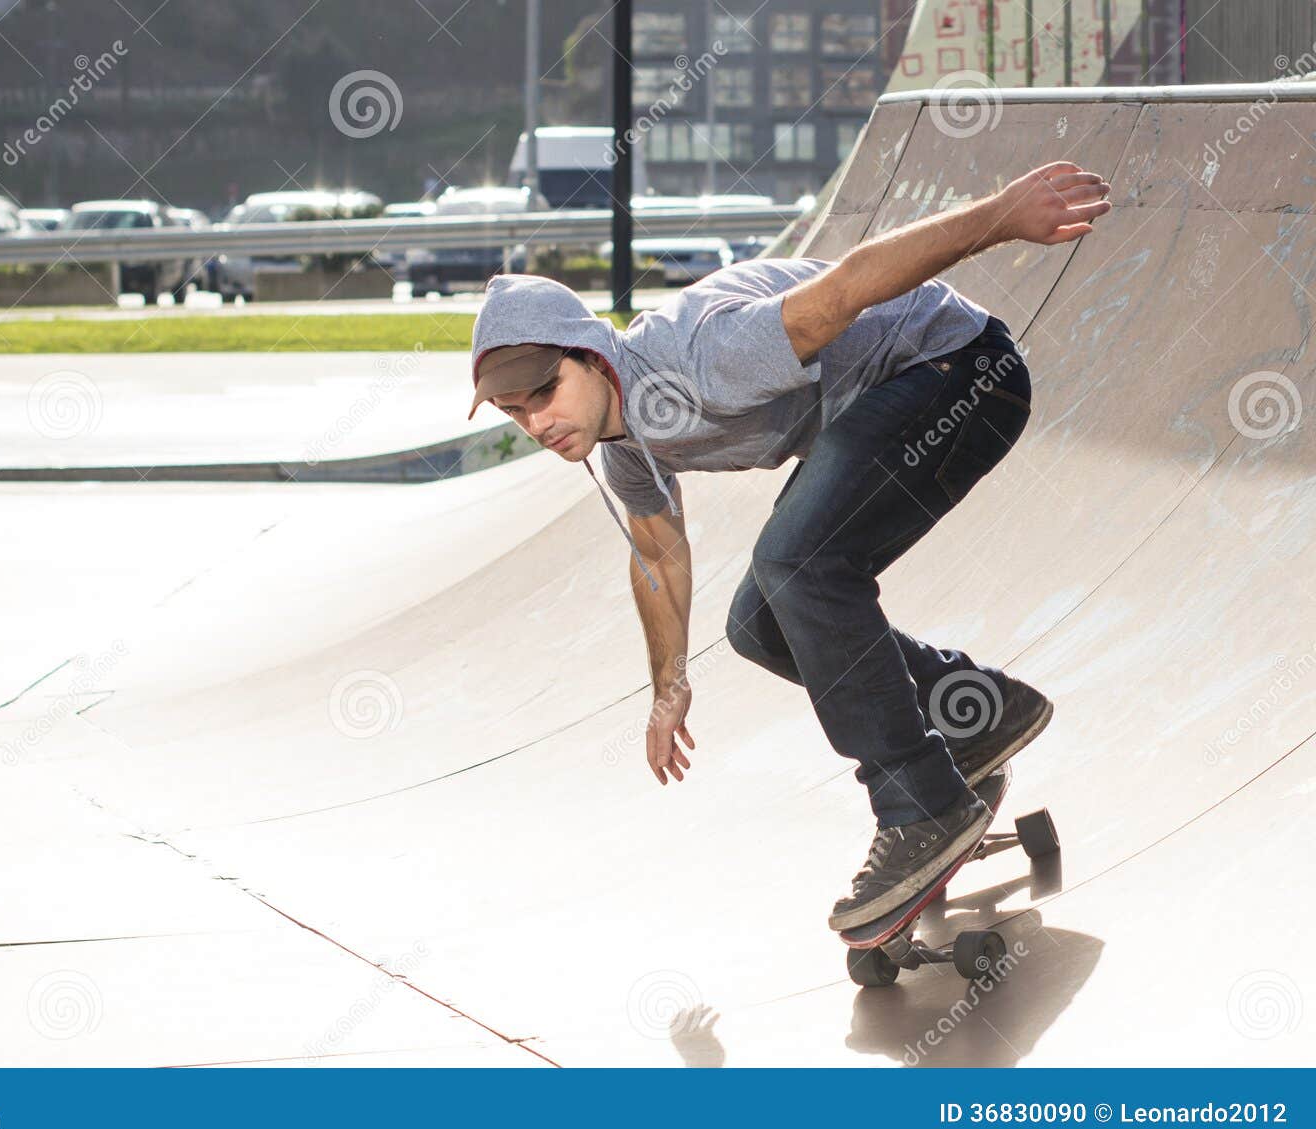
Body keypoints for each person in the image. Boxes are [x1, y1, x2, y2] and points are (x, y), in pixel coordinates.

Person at [464, 162, 1111, 930]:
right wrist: (667, 686)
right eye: (515, 411)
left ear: (594, 358)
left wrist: (1000, 213)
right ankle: (976, 713)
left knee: (798, 566)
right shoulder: (624, 447)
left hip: (961, 373)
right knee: (760, 622)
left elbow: (849, 286)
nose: (538, 424)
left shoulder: (697, 356)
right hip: (885, 406)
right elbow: (659, 552)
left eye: (546, 393)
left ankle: (921, 808)